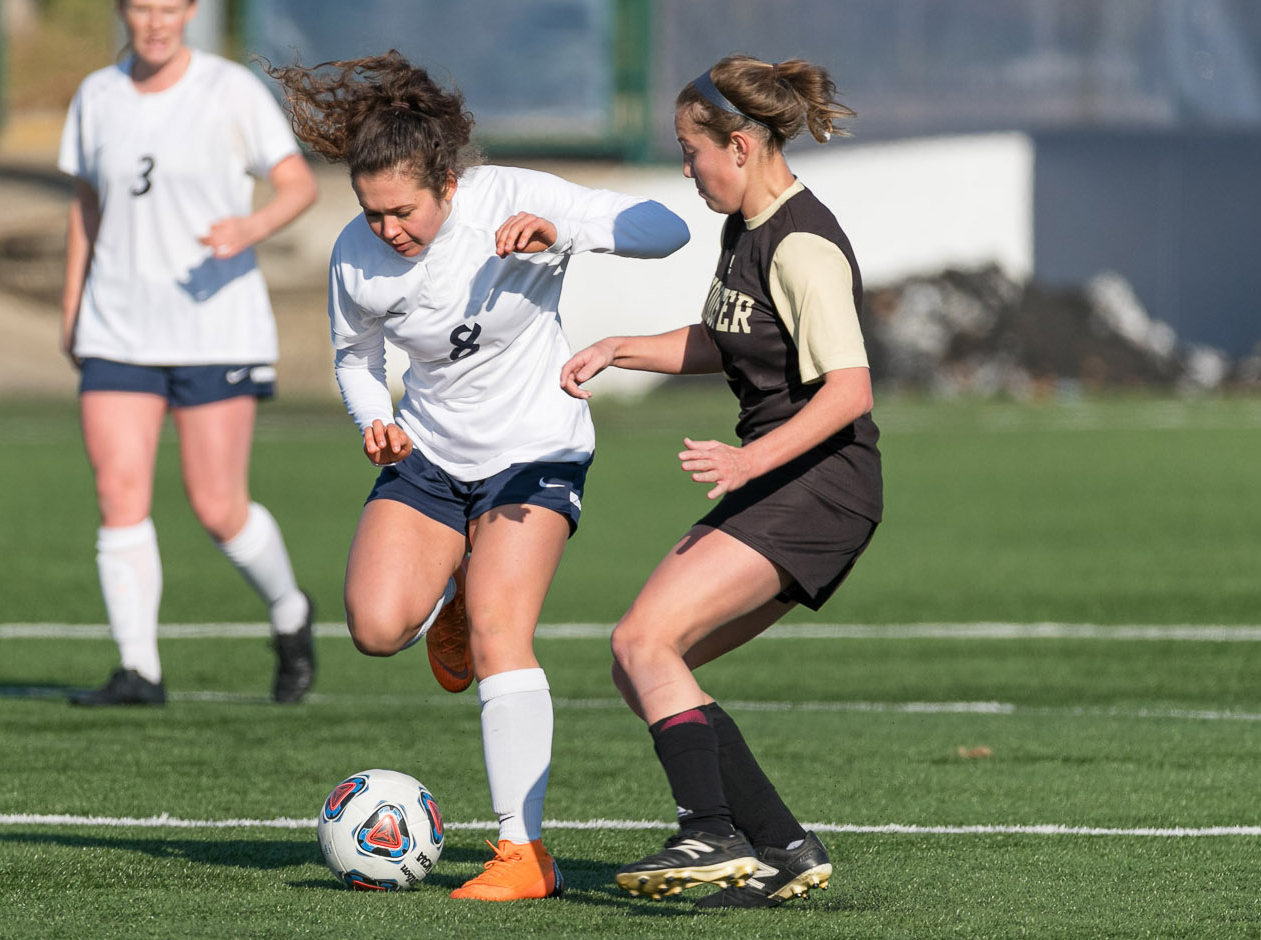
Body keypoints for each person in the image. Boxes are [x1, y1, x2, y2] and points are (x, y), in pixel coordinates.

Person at [265, 50, 689, 901]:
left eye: (403, 211)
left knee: (501, 635)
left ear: (449, 185)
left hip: (535, 449)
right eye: (372, 212)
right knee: (377, 627)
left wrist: (563, 233)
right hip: (429, 453)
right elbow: (355, 357)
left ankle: (522, 854)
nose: (387, 229)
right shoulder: (356, 255)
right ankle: (453, 593)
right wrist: (373, 418)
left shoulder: (512, 197)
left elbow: (666, 227)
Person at [560, 54, 880, 908]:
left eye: (690, 151)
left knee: (643, 641)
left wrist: (747, 461)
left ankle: (709, 831)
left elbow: (850, 390)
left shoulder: (802, 242)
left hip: (818, 485)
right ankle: (782, 846)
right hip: (787, 483)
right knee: (646, 666)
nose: (686, 169)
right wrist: (621, 348)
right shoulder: (746, 226)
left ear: (738, 146)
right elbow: (728, 338)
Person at [58, 0, 320, 706]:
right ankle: (138, 670)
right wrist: (72, 303)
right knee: (118, 492)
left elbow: (298, 184)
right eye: (142, 8)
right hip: (117, 326)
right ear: (123, 13)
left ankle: (289, 610)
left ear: (191, 13)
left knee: (217, 506)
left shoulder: (229, 89)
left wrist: (250, 227)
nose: (155, 22)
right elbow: (87, 204)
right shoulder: (97, 95)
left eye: (170, 8)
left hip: (215, 329)